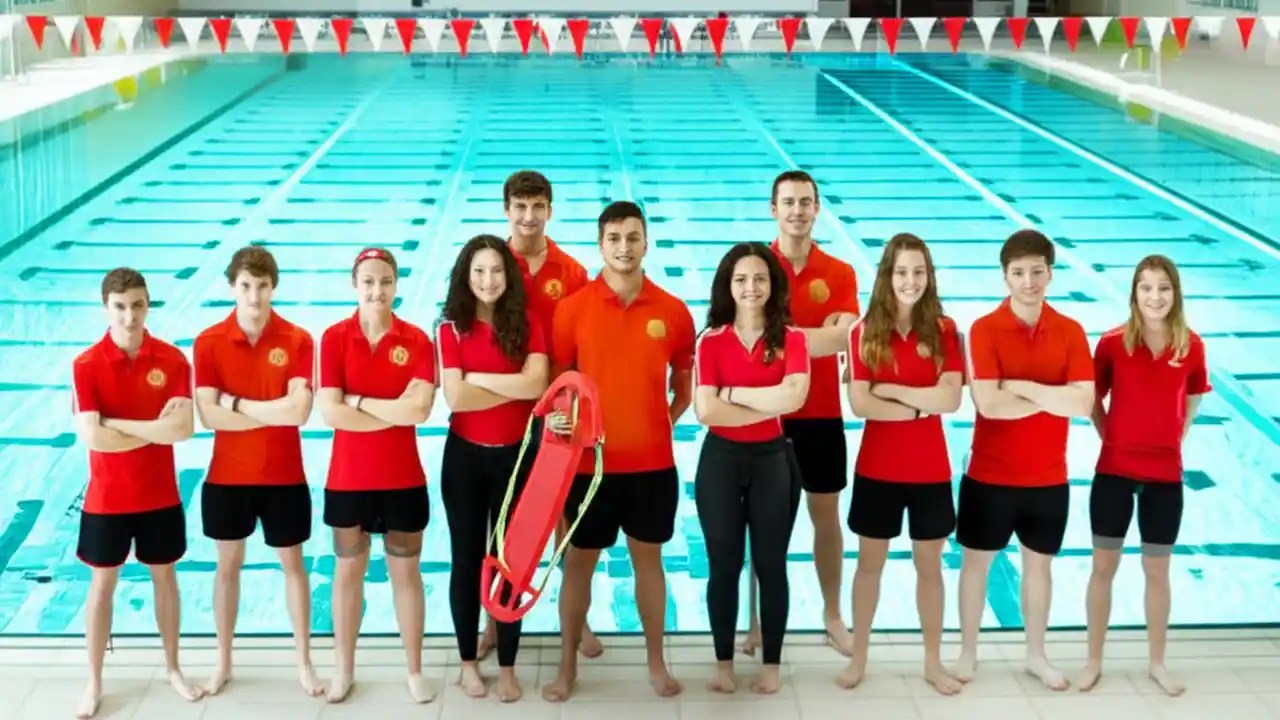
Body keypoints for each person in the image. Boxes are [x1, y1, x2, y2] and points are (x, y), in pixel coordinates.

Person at [541, 200, 696, 702]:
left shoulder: (672, 312)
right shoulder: (572, 309)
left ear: (646, 241)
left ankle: (656, 662)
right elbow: (559, 382)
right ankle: (567, 666)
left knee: (649, 563)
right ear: (601, 244)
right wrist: (566, 423)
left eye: (633, 237)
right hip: (589, 468)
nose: (624, 247)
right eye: (614, 238)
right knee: (579, 565)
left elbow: (684, 386)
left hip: (651, 466)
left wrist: (658, 424)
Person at [955, 229, 1095, 690]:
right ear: (1005, 277)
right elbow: (989, 406)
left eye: (1037, 271)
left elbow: (1083, 404)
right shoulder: (984, 329)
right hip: (989, 476)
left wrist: (1024, 386)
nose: (1029, 281)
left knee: (1039, 569)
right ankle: (968, 653)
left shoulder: (1071, 331)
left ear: (1050, 273)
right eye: (1018, 272)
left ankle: (1036, 654)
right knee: (976, 565)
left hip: (1048, 478)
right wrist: (1055, 395)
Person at [70, 268, 204, 719]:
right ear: (107, 307)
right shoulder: (86, 365)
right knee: (101, 586)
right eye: (121, 307)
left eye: (138, 306)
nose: (130, 317)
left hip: (159, 496)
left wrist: (119, 424)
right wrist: (153, 430)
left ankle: (173, 668)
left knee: (165, 580)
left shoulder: (171, 361)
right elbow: (94, 439)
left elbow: (182, 429)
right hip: (107, 499)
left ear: (148, 305)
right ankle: (94, 680)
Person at [192, 246, 321, 697]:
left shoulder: (298, 340)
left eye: (262, 286)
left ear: (273, 287)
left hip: (284, 476)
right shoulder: (208, 342)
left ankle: (304, 662)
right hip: (227, 477)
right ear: (232, 286)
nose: (253, 296)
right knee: (227, 569)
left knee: (294, 567)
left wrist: (236, 404)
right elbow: (208, 417)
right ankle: (223, 662)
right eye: (245, 286)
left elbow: (300, 412)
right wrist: (270, 411)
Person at [1079, 255, 1209, 697]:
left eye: (1163, 288)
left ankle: (1157, 662)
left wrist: (1179, 432)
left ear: (1176, 294)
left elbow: (1194, 395)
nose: (1155, 296)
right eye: (1146, 287)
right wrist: (1108, 434)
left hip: (1164, 477)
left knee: (1158, 570)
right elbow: (1092, 398)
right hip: (1113, 472)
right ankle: (1093, 660)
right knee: (1103, 568)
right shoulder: (1113, 344)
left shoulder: (1191, 345)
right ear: (1134, 293)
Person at [742, 170, 860, 656]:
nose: (797, 211)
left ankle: (833, 614)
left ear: (817, 209)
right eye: (788, 202)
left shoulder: (839, 273)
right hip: (767, 414)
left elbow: (844, 339)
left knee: (826, 517)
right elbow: (752, 340)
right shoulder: (753, 268)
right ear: (773, 209)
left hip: (821, 414)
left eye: (805, 202)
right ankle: (753, 623)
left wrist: (786, 338)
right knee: (762, 522)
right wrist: (815, 338)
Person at [840, 233, 964, 695]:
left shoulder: (947, 331)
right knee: (868, 565)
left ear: (928, 276)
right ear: (886, 277)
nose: (909, 281)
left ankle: (932, 662)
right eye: (901, 272)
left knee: (929, 568)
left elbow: (949, 399)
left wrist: (890, 391)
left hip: (930, 470)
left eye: (918, 271)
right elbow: (859, 405)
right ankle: (859, 659)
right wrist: (919, 405)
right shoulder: (862, 331)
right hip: (878, 470)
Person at [316, 247, 436, 704]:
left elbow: (421, 410)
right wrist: (391, 410)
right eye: (368, 281)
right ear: (354, 284)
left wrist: (359, 402)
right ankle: (343, 670)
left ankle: (414, 670)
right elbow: (330, 412)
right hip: (348, 479)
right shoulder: (333, 338)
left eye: (385, 281)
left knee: (407, 574)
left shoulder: (417, 340)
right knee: (348, 573)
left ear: (396, 284)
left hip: (403, 479)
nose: (377, 290)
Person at [488, 169, 600, 659]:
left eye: (538, 207)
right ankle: (494, 618)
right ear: (507, 210)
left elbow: (580, 349)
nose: (528, 217)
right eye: (520, 207)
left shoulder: (571, 272)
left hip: (555, 415)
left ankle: (577, 619)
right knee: (503, 520)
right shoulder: (491, 264)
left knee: (560, 515)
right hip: (503, 408)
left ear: (550, 210)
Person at [437, 234, 550, 702]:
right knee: (466, 560)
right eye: (479, 271)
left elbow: (539, 384)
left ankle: (506, 665)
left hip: (516, 458)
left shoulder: (528, 322)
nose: (488, 280)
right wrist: (512, 383)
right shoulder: (449, 328)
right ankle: (468, 662)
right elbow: (456, 397)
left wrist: (477, 378)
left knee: (511, 564)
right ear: (466, 276)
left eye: (496, 271)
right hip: (464, 457)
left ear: (509, 276)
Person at [692, 242, 808, 695]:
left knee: (771, 564)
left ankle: (772, 666)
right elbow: (705, 412)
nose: (751, 287)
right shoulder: (712, 340)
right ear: (728, 285)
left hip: (772, 461)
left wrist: (733, 395)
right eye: (741, 279)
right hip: (720, 461)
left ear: (772, 285)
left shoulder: (791, 339)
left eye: (760, 278)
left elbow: (794, 397)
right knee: (723, 566)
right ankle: (723, 664)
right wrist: (763, 400)